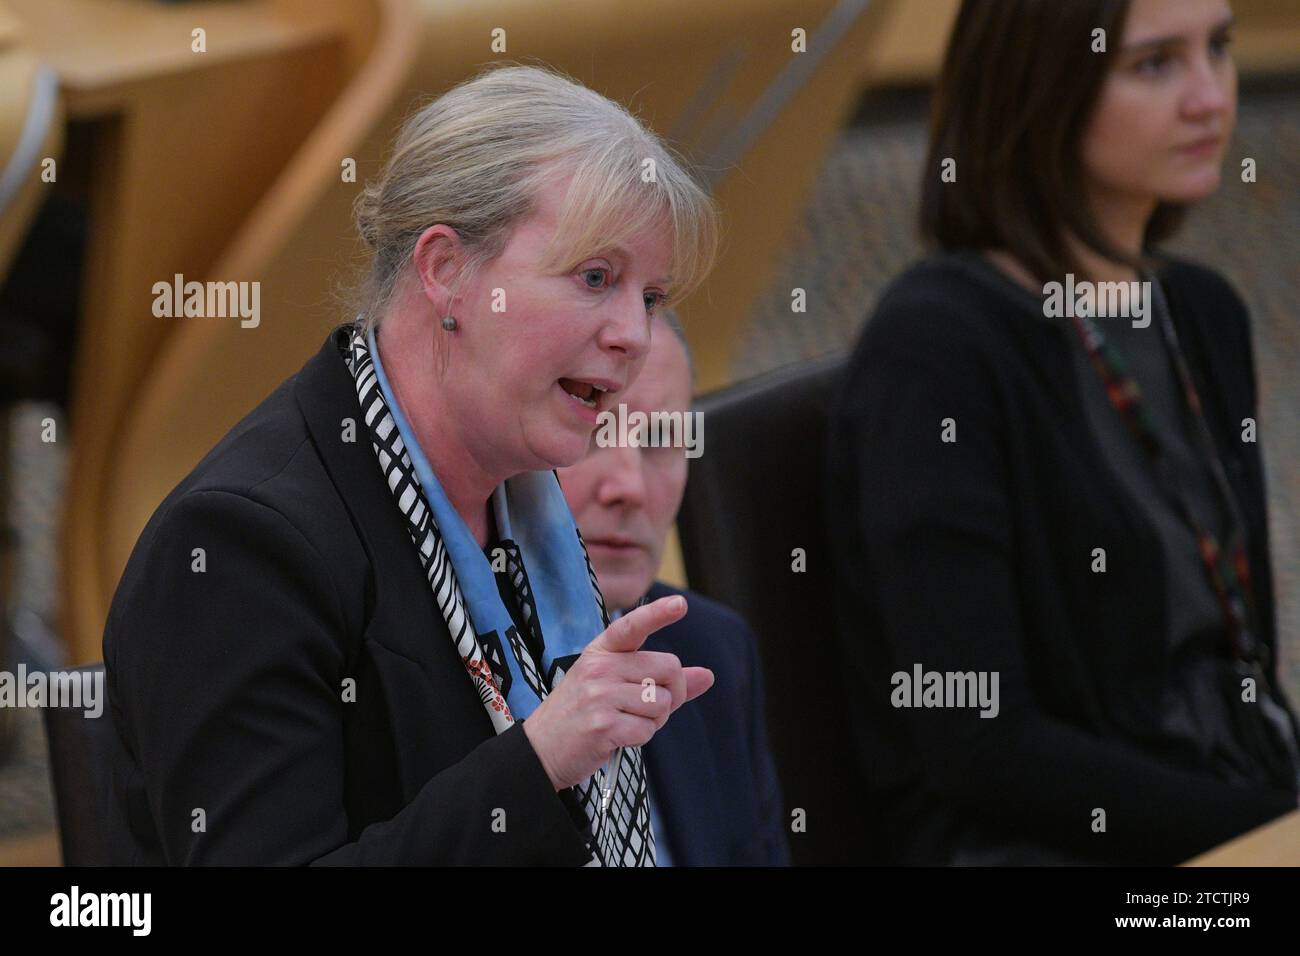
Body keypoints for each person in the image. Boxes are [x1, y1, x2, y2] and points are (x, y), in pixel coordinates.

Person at [102, 63, 721, 865]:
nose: (633, 336)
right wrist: (539, 763)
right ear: (445, 271)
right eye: (595, 277)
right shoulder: (240, 544)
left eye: (649, 297)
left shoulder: (529, 503)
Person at [826, 0, 1300, 865]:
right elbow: (979, 745)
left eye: (1220, 49)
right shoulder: (936, 351)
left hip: (1215, 820)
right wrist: (1262, 837)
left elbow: (1240, 665)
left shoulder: (1201, 314)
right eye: (1155, 64)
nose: (1210, 97)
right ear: (1040, 87)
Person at [556, 311, 789, 865]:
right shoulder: (449, 660)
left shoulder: (714, 651)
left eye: (661, 438)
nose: (630, 487)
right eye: (595, 432)